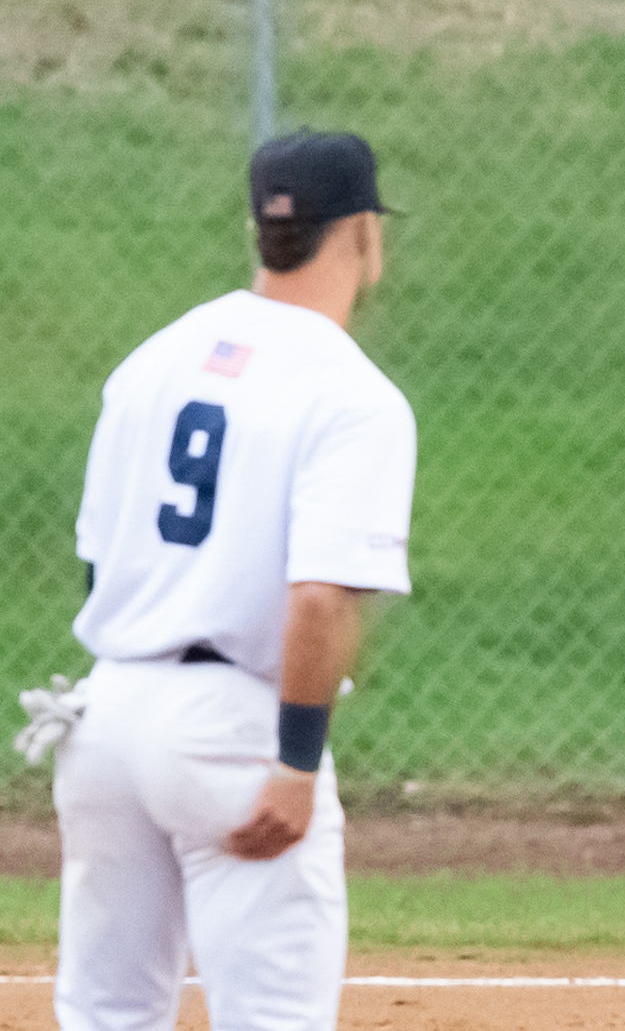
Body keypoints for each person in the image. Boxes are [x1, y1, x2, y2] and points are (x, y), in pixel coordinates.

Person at [49, 130, 414, 1031]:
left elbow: (102, 555)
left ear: (263, 231)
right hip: (232, 735)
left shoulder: (155, 359)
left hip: (106, 716)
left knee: (105, 1012)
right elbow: (322, 596)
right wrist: (295, 759)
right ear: (363, 232)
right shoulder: (350, 394)